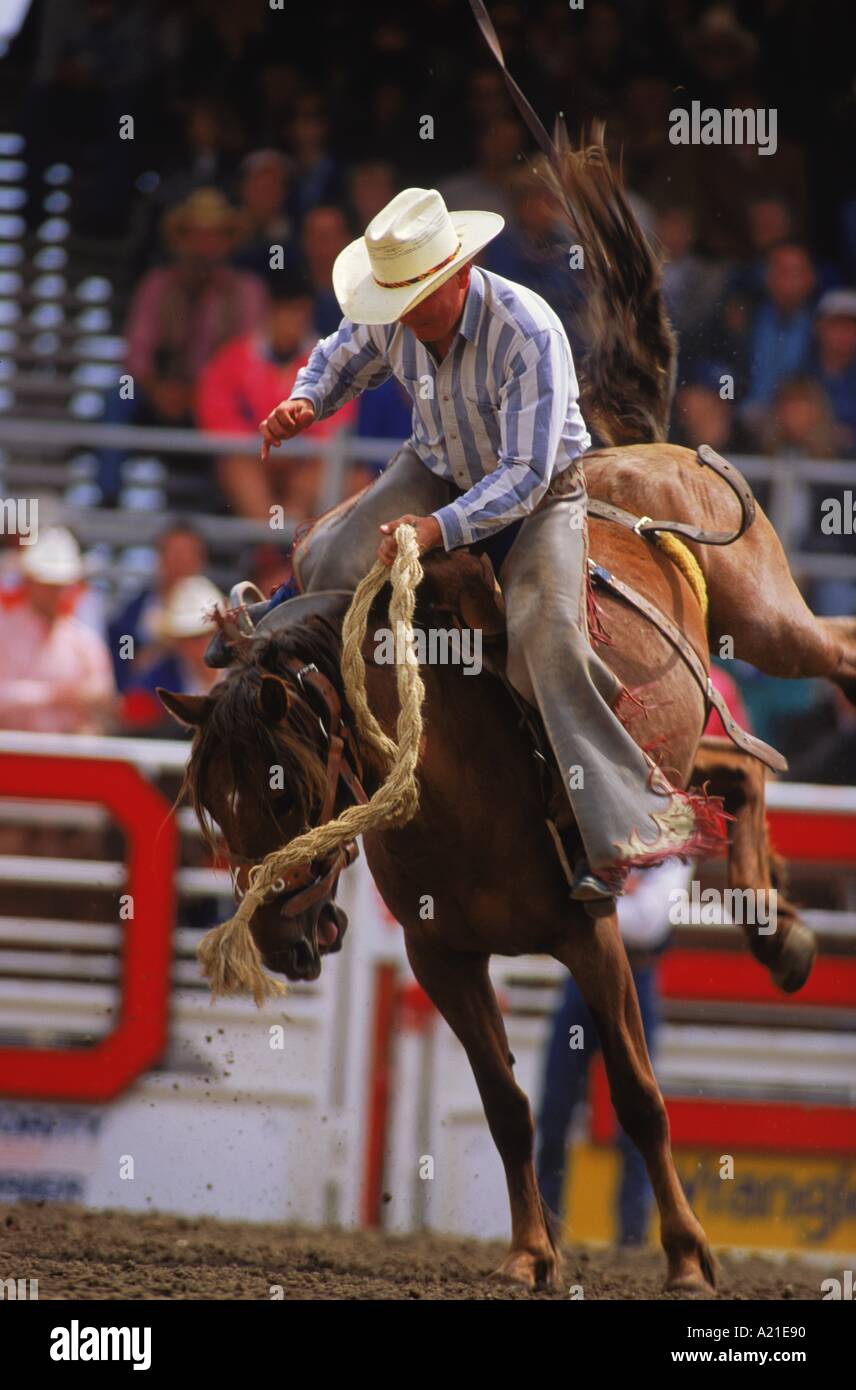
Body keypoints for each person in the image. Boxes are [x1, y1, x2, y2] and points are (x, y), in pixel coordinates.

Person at [225, 186, 722, 906]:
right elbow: (340, 356)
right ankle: (281, 648)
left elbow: (523, 475)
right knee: (333, 558)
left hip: (540, 495)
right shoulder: (391, 312)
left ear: (458, 276)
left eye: (418, 295)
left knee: (548, 638)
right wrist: (308, 400)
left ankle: (617, 821)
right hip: (435, 465)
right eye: (395, 297)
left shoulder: (528, 331)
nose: (404, 312)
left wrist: (433, 532)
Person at [536, 857, 690, 1243]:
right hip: (602, 975)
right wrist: (625, 894)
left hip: (615, 976)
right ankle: (547, 1227)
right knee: (556, 1109)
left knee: (636, 1115)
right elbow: (586, 906)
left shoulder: (667, 852)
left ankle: (627, 1235)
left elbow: (647, 923)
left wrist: (603, 893)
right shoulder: (649, 851)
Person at [195, 276, 357, 520]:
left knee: (337, 477)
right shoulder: (233, 357)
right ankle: (271, 545)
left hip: (305, 463)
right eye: (285, 312)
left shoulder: (329, 359)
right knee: (238, 468)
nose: (292, 321)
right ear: (270, 312)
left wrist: (295, 449)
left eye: (299, 313)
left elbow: (338, 421)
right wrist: (264, 443)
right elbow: (215, 413)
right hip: (254, 459)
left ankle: (290, 544)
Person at [0, 527, 114, 734]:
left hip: (68, 759)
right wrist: (55, 695)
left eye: (60, 584)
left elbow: (104, 699)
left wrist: (92, 699)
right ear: (29, 581)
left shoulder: (84, 641)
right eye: (47, 584)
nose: (54, 593)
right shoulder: (4, 632)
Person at [108, 521, 209, 690]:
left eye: (187, 556)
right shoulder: (131, 618)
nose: (180, 564)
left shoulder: (220, 610)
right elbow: (125, 665)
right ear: (160, 558)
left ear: (200, 561)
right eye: (175, 556)